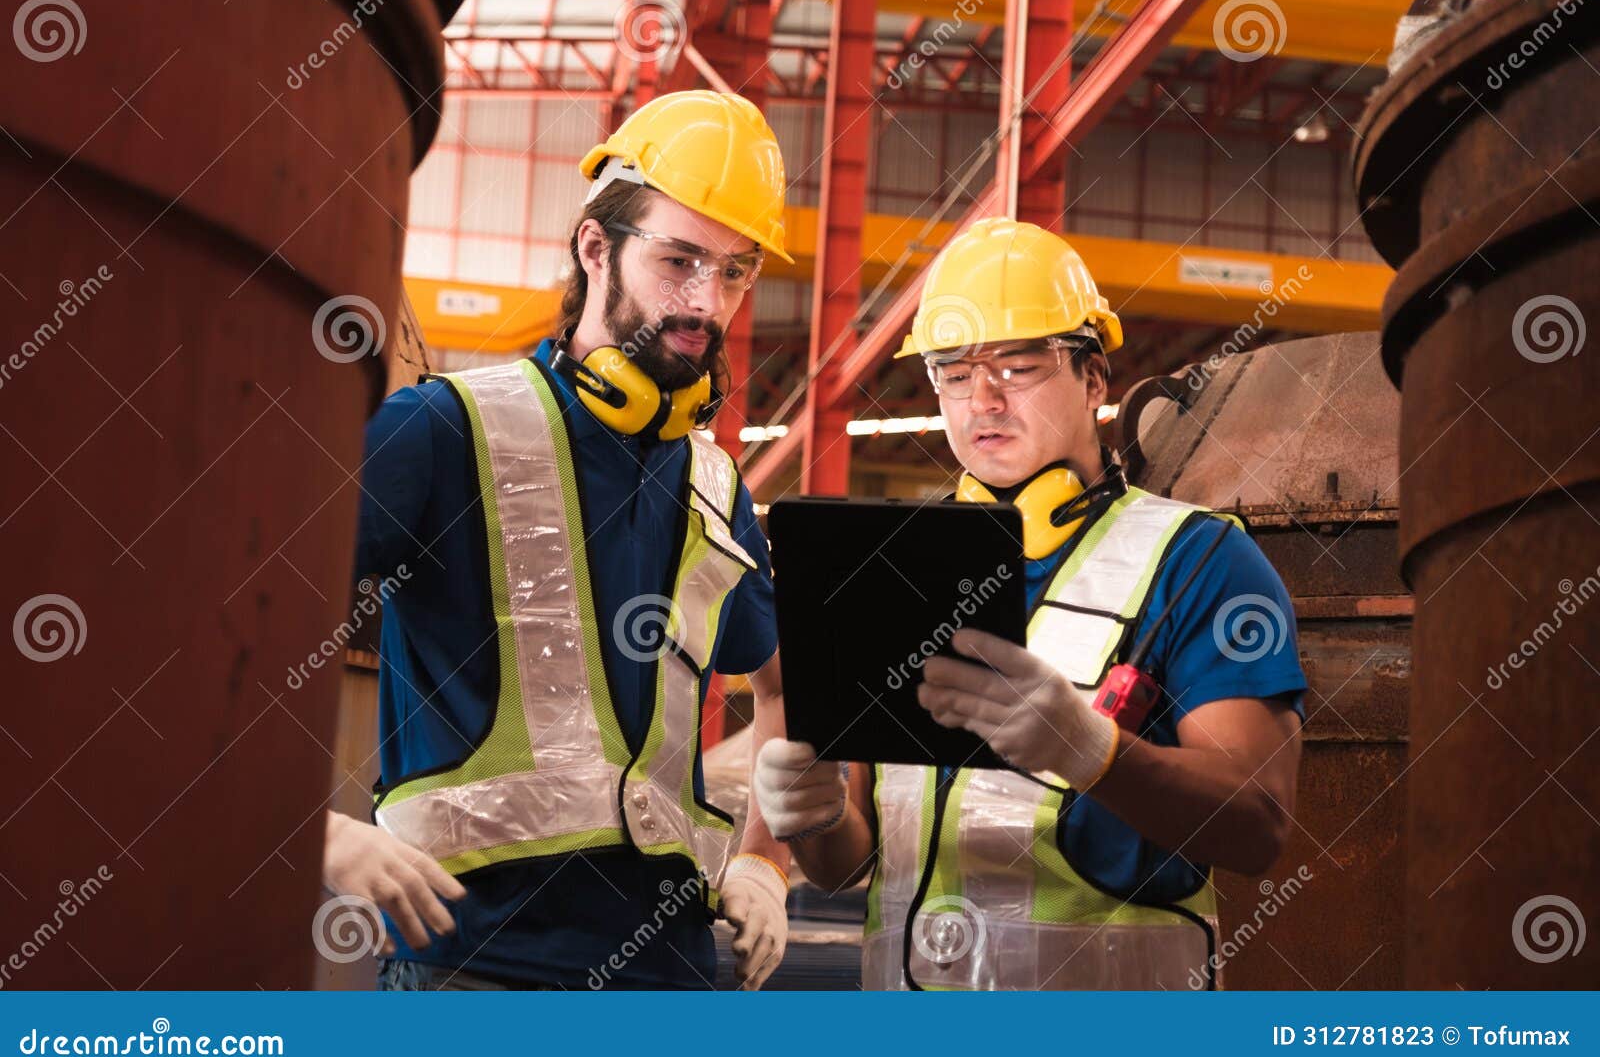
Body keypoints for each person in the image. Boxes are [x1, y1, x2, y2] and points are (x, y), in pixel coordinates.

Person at [753, 217, 1306, 990]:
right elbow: (853, 861)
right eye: (953, 372)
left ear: (1093, 378)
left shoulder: (1200, 560)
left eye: (1018, 367)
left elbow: (1259, 827)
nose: (983, 401)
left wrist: (1090, 751)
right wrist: (812, 820)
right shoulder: (891, 566)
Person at [322, 90, 793, 990]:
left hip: (673, 979)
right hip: (474, 974)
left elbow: (783, 693)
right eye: (679, 259)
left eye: (735, 272)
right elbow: (231, 625)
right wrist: (311, 829)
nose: (706, 301)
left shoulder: (716, 486)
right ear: (595, 246)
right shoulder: (439, 432)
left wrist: (765, 863)